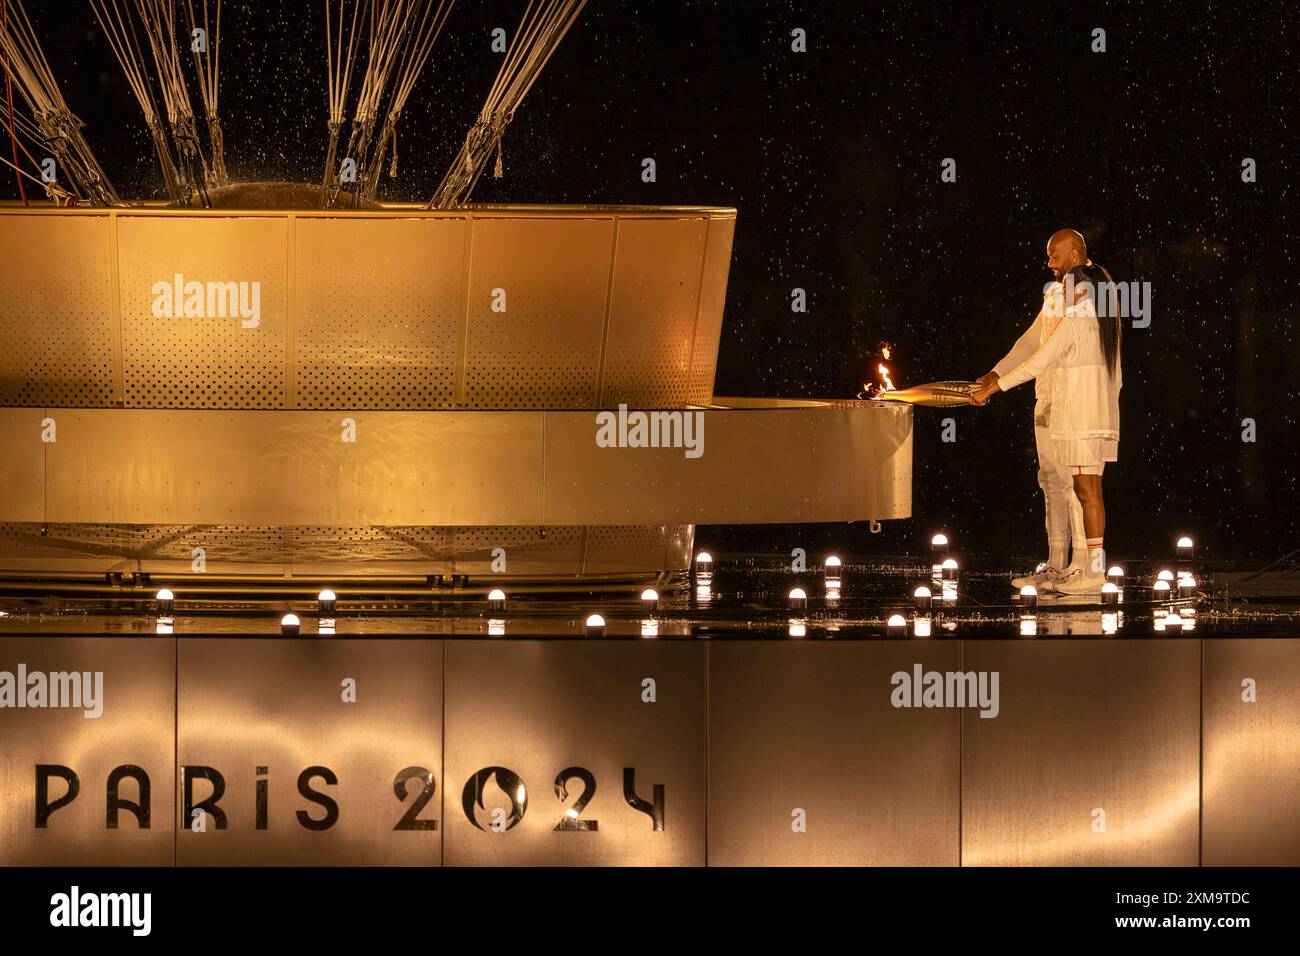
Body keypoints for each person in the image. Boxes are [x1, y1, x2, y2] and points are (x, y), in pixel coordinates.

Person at [970, 260, 1122, 593]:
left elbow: (1039, 360)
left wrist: (993, 389)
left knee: (1084, 494)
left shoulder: (1077, 319)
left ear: (1081, 288)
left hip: (1081, 422)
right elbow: (1115, 379)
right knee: (1071, 489)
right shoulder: (1103, 320)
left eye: (1066, 285)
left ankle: (1092, 571)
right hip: (1086, 419)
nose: (1057, 290)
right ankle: (1067, 567)